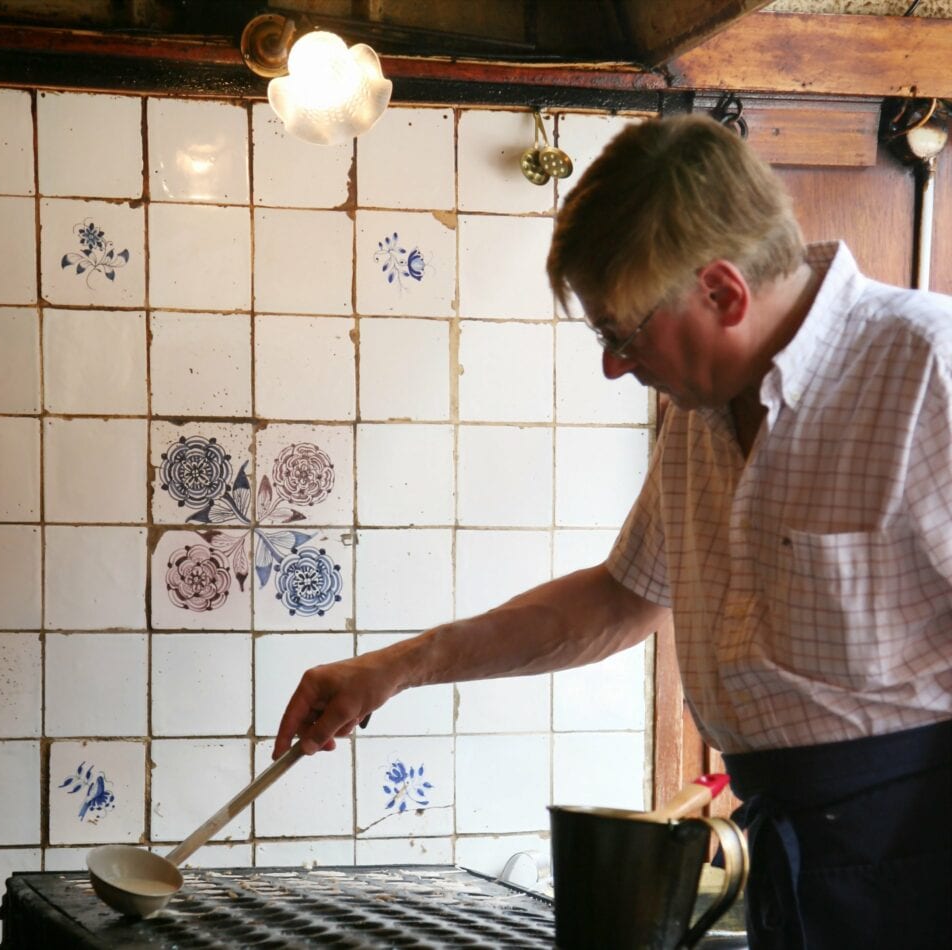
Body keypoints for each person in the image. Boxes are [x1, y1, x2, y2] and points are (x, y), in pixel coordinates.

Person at [272, 114, 952, 948]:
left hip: (920, 862)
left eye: (621, 335)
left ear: (723, 292)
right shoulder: (701, 414)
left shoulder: (926, 372)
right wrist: (397, 667)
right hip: (800, 859)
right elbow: (620, 599)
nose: (613, 365)